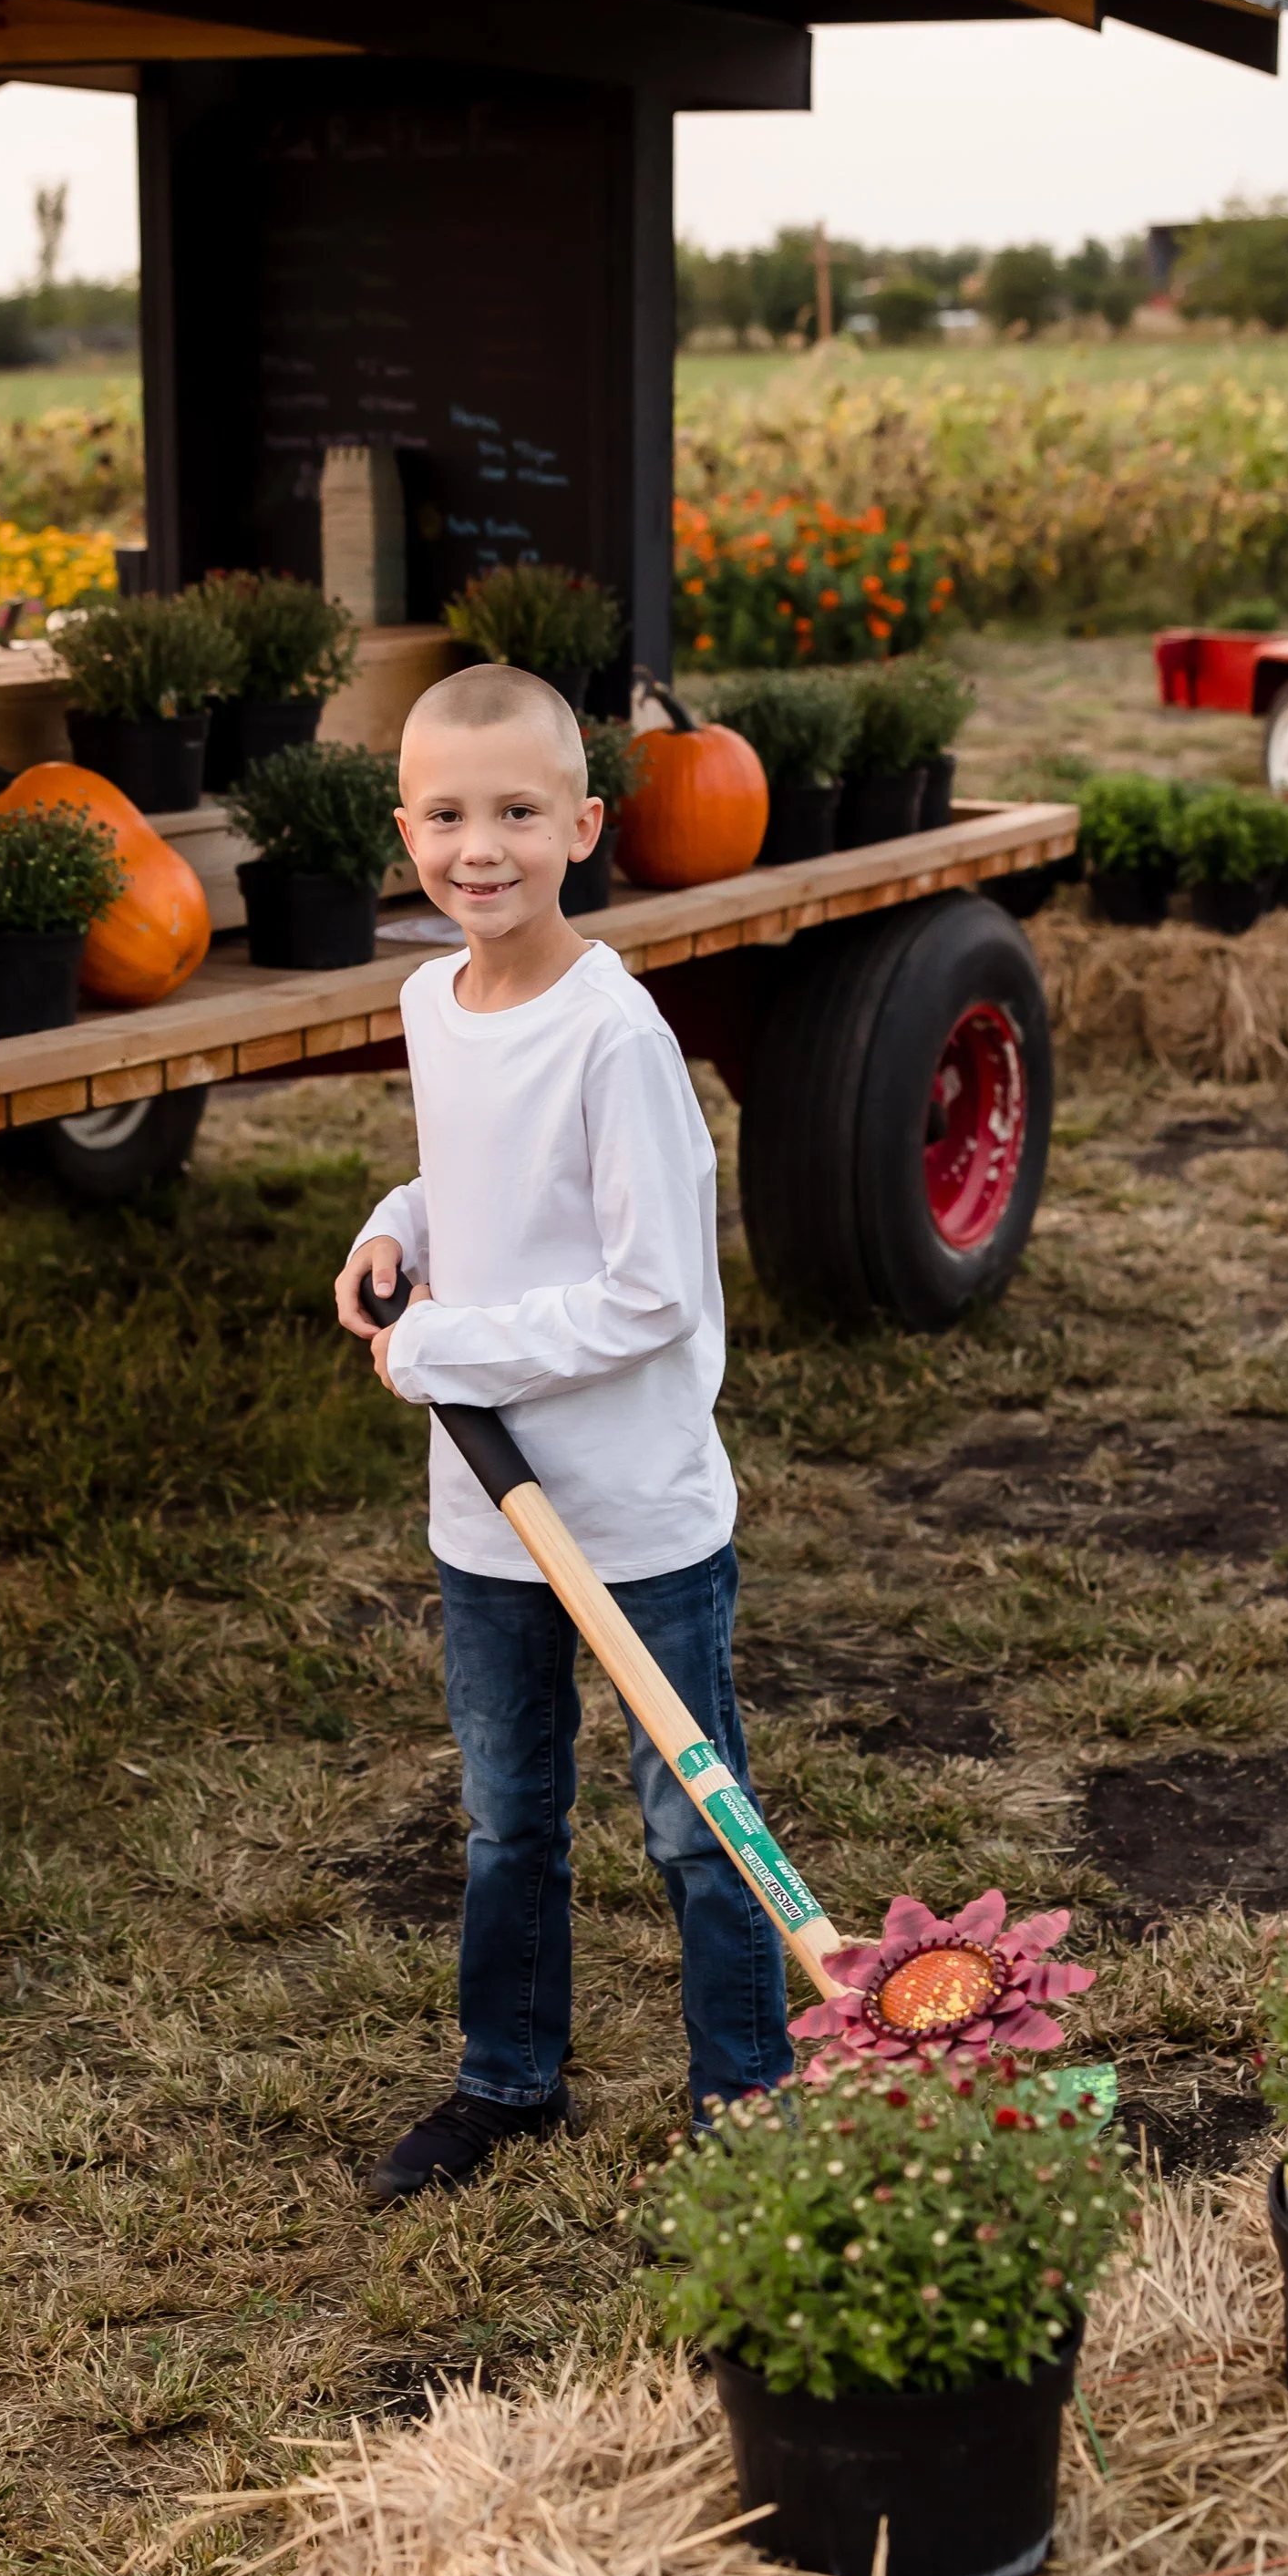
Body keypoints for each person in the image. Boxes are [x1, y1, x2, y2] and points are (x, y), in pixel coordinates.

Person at [335, 660, 790, 2201]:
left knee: (690, 1826)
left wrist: (451, 1341)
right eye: (450, 814)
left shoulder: (616, 1035)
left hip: (633, 1514)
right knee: (506, 1817)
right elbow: (463, 1187)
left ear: (583, 825)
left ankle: (749, 2098)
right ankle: (506, 2079)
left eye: (518, 813)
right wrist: (392, 1235)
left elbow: (654, 1293)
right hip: (489, 1510)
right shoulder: (427, 1000)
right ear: (408, 832)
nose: (483, 847)